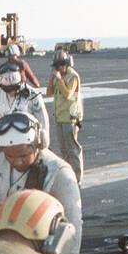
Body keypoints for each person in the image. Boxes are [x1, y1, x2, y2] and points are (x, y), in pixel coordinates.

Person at [0, 111, 82, 254]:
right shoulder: (0, 161)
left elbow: (73, 225)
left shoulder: (59, 173)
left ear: (39, 143)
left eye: (24, 155)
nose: (17, 162)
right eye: (10, 156)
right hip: (5, 252)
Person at [45, 50, 84, 184]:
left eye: (61, 65)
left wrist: (59, 79)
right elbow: (49, 93)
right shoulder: (58, 77)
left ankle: (77, 178)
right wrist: (52, 78)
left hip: (70, 118)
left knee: (73, 150)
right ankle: (68, 175)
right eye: (57, 66)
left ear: (66, 64)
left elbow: (67, 94)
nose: (59, 68)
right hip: (60, 118)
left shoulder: (72, 76)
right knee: (64, 150)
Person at [0, 59, 50, 150]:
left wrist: (43, 146)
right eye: (7, 90)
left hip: (30, 145)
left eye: (14, 89)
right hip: (8, 146)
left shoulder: (33, 96)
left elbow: (43, 123)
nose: (11, 92)